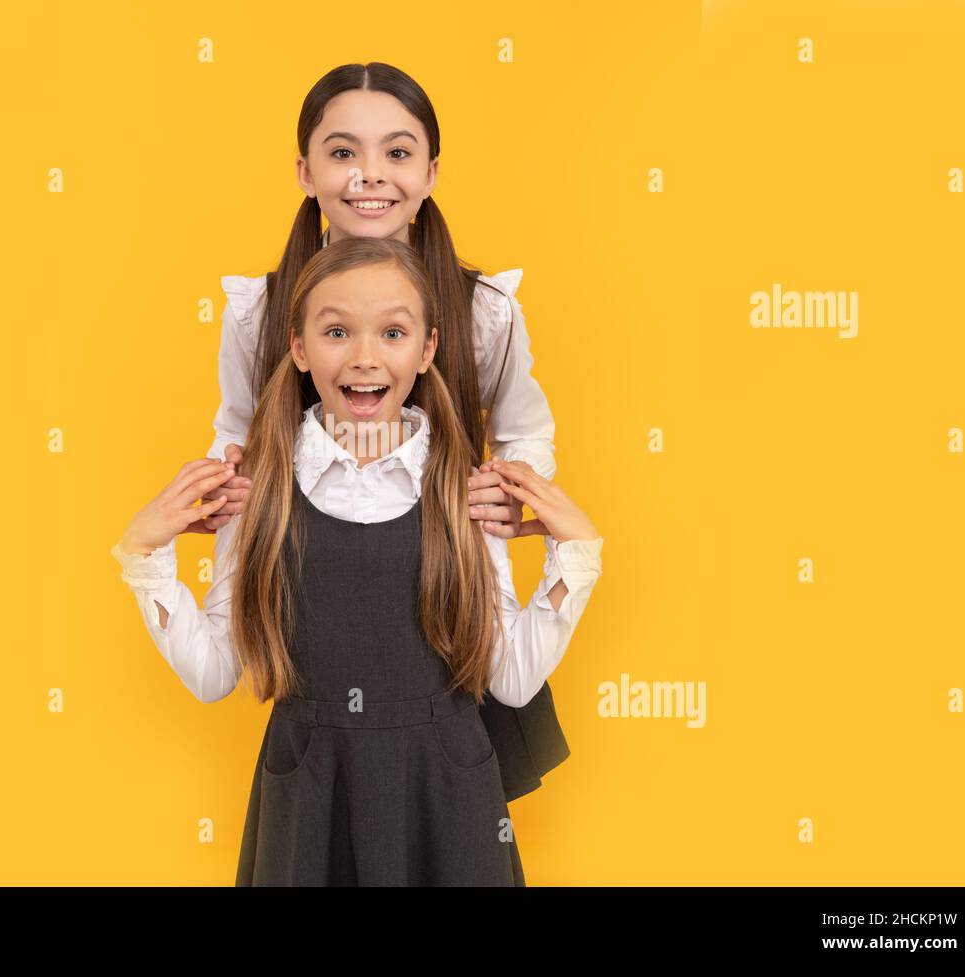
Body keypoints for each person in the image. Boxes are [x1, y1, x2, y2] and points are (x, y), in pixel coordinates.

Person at [112, 237, 603, 885]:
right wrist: (145, 555)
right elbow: (212, 674)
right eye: (337, 331)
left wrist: (574, 558)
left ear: (427, 349)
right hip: (311, 797)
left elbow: (510, 679)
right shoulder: (258, 489)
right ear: (299, 347)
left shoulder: (464, 488)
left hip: (447, 796)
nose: (365, 357)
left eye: (393, 332)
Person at [194, 62, 575, 801]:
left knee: (445, 812)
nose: (370, 174)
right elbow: (236, 431)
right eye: (343, 152)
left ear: (430, 173)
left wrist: (511, 490)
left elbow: (526, 432)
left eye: (397, 152)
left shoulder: (482, 308)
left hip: (444, 595)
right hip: (326, 599)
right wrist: (223, 490)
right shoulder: (259, 312)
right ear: (305, 171)